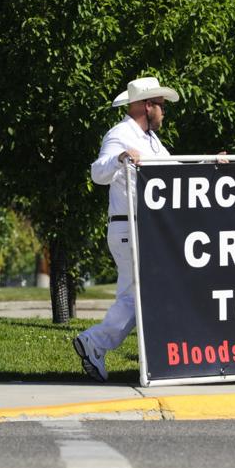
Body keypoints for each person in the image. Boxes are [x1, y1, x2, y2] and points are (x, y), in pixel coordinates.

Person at [73, 76, 179, 383]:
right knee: (139, 296)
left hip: (144, 228)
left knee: (135, 294)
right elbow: (97, 172)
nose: (163, 111)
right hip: (129, 226)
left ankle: (98, 346)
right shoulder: (121, 134)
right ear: (147, 106)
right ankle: (96, 341)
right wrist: (120, 159)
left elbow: (174, 173)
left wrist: (212, 164)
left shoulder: (151, 141)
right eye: (160, 105)